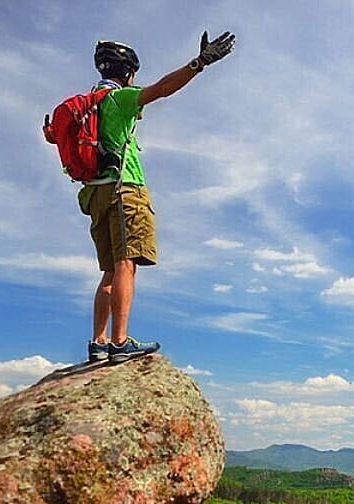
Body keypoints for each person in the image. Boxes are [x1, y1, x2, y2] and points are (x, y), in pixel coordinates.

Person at [81, 33, 235, 363]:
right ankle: (119, 344)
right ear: (127, 72)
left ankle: (98, 341)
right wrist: (200, 63)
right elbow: (161, 89)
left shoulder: (88, 103)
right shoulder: (118, 98)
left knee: (109, 269)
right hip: (125, 187)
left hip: (95, 192)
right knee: (126, 263)